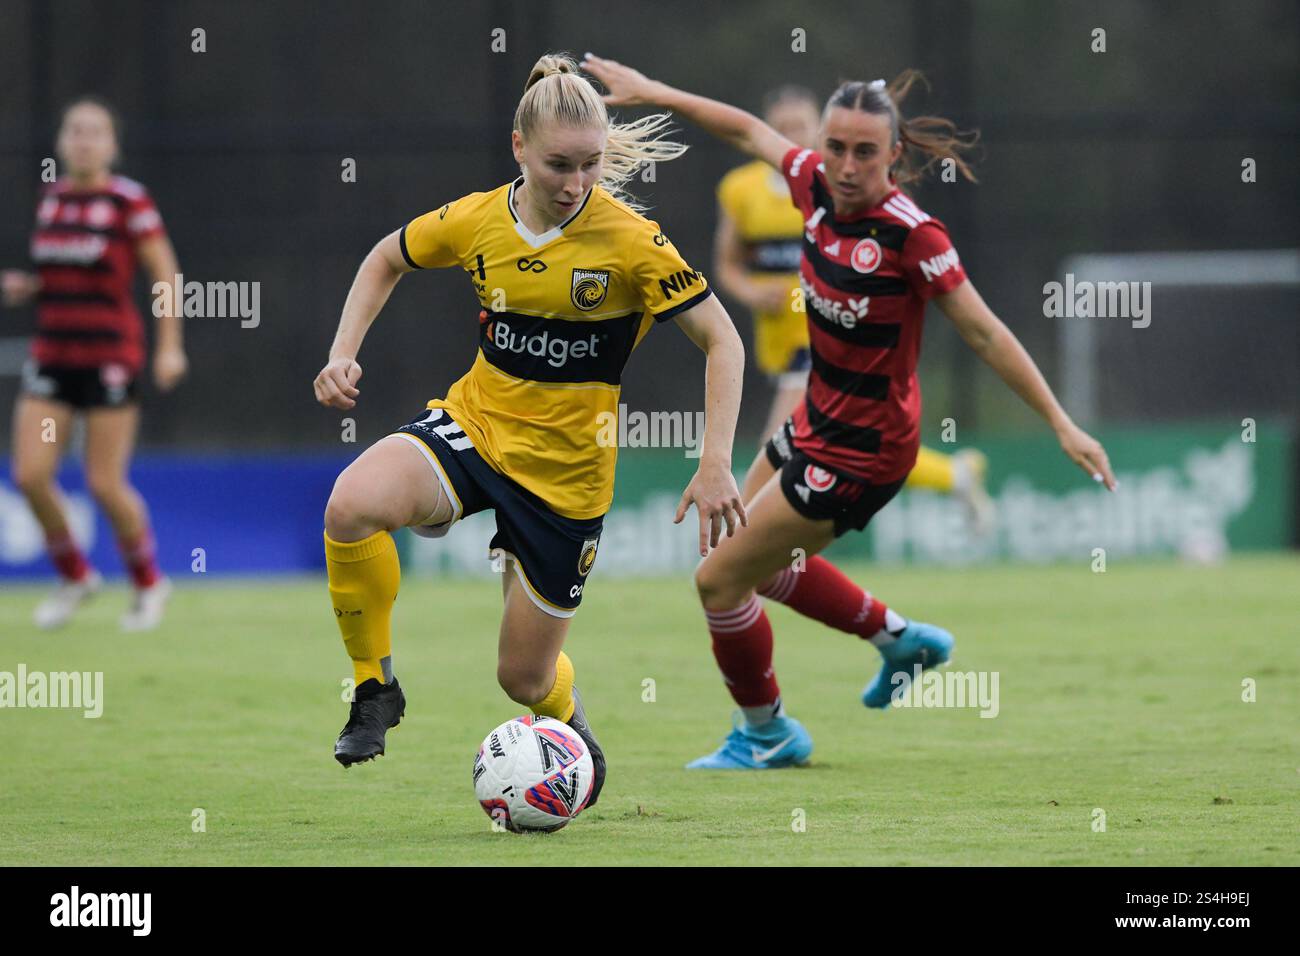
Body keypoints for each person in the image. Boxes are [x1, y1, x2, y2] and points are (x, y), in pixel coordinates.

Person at [582, 54, 1116, 769]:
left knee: (717, 579)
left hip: (864, 451)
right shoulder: (810, 184)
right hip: (814, 421)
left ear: (894, 155)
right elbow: (744, 129)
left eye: (865, 151)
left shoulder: (912, 236)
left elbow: (985, 332)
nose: (846, 163)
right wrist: (653, 92)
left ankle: (768, 734)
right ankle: (901, 640)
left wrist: (1060, 421)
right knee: (740, 562)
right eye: (835, 147)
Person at [314, 54, 747, 811]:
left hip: (567, 482)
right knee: (352, 502)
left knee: (522, 679)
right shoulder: (479, 218)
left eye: (590, 165)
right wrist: (342, 352)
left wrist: (715, 462)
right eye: (559, 164)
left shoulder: (632, 242)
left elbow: (724, 342)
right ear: (519, 147)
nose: (576, 183)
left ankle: (566, 722)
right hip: (474, 430)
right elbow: (387, 257)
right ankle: (373, 687)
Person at [714, 84, 993, 531]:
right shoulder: (740, 190)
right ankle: (953, 476)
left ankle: (746, 551)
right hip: (776, 339)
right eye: (781, 127)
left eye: (800, 126)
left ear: (816, 130)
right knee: (822, 445)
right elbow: (727, 266)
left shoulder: (827, 186)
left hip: (821, 344)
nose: (791, 134)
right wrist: (750, 292)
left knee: (778, 445)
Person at [3, 96, 184, 631]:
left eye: (95, 132)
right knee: (31, 475)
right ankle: (75, 575)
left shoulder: (130, 202)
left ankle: (150, 583)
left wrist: (169, 345)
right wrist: (30, 287)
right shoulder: (51, 201)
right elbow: (65, 275)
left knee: (105, 484)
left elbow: (164, 275)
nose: (83, 140)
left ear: (111, 144)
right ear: (62, 141)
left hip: (109, 359)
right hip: (52, 359)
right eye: (75, 131)